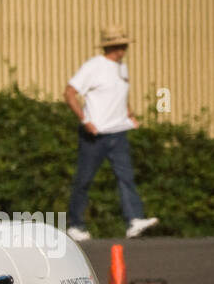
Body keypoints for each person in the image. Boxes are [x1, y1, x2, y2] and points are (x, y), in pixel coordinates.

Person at [64, 26, 158, 241]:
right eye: (119, 45)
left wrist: (129, 113)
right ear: (110, 47)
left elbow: (119, 95)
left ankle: (134, 220)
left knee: (126, 177)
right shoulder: (94, 66)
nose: (123, 49)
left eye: (124, 44)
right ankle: (76, 225)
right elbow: (69, 93)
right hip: (95, 135)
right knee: (84, 179)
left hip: (118, 132)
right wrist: (85, 120)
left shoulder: (121, 68)